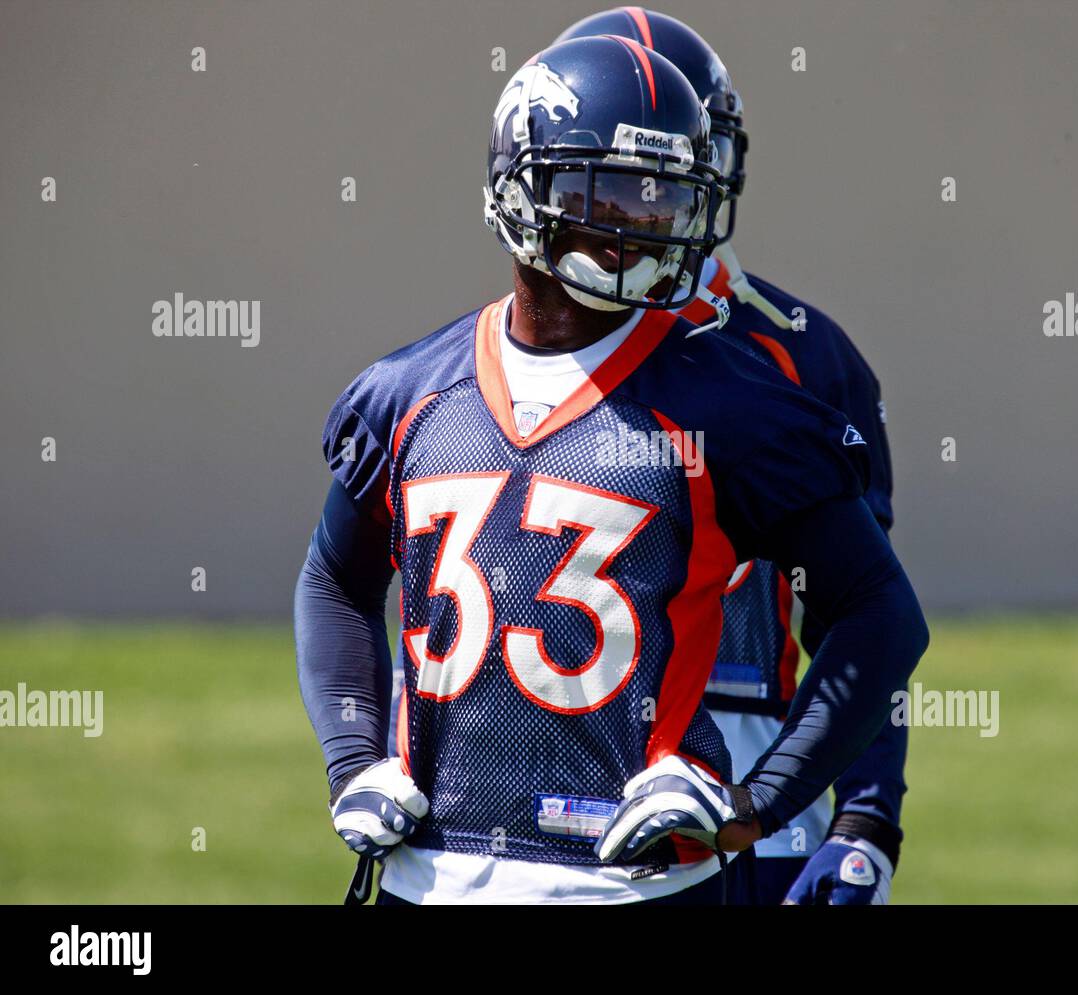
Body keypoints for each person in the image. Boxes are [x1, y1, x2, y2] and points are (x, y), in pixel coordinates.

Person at [295, 34, 927, 905]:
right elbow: (334, 577)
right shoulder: (407, 391)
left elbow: (877, 613)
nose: (652, 216)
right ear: (526, 189)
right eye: (618, 187)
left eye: (667, 190)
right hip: (426, 871)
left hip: (642, 877)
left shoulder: (739, 399)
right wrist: (354, 759)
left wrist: (777, 809)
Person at [557, 7, 908, 905]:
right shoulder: (521, 352)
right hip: (548, 791)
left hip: (755, 795)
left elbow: (863, 616)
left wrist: (864, 815)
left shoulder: (802, 355)